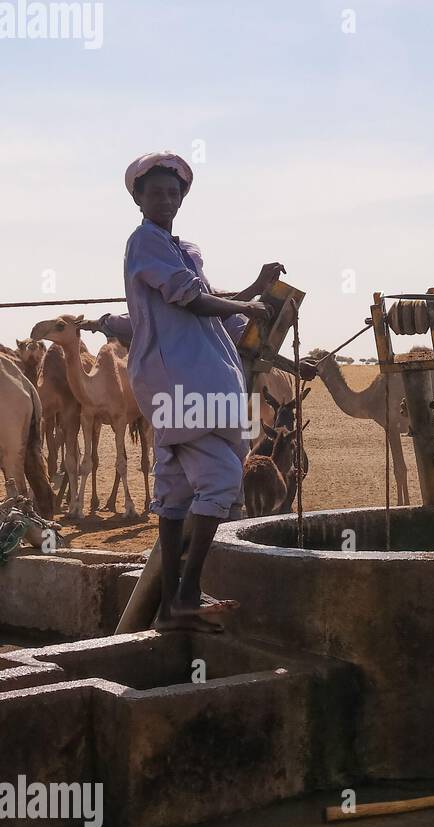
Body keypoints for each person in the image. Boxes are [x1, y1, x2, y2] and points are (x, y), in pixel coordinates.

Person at [95, 151, 285, 631]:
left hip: (191, 379)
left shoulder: (177, 250)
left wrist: (254, 289)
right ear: (137, 198)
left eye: (173, 192)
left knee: (177, 488)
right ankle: (185, 593)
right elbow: (194, 300)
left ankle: (168, 609)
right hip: (185, 379)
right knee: (222, 478)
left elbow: (203, 298)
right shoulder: (145, 243)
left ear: (182, 198)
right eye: (155, 192)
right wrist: (247, 303)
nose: (165, 199)